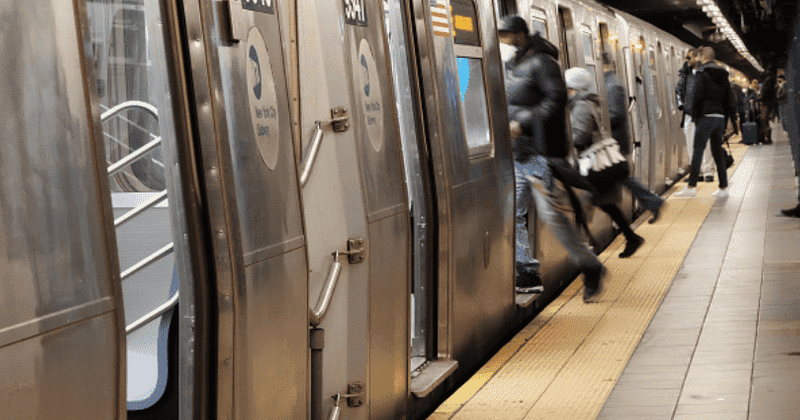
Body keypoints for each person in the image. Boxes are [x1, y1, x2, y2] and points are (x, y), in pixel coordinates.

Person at [499, 15, 606, 302]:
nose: (503, 40)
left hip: (540, 153)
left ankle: (590, 265)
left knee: (551, 216)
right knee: (513, 211)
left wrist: (523, 122)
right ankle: (527, 270)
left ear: (520, 35)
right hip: (518, 153)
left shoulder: (543, 62)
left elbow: (557, 100)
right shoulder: (512, 63)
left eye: (506, 35)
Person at [566, 67, 645, 258]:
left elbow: (580, 137)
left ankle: (585, 253)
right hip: (597, 162)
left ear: (573, 87)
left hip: (590, 163)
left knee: (584, 203)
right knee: (604, 203)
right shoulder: (589, 101)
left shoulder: (582, 105)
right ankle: (630, 237)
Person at [603, 53, 665, 223]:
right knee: (621, 180)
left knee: (616, 182)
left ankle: (650, 206)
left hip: (615, 143)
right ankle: (652, 204)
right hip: (615, 142)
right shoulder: (611, 82)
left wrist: (598, 118)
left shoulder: (612, 85)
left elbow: (616, 114)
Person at [674, 46, 738, 198]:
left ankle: (691, 187)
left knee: (697, 151)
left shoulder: (702, 74)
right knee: (716, 153)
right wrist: (732, 123)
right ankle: (723, 188)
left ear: (703, 57)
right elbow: (729, 100)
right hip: (719, 118)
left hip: (706, 116)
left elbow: (698, 96)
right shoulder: (723, 75)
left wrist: (695, 116)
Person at [676, 49, 716, 183]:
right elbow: (679, 90)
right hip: (688, 115)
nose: (688, 60)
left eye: (691, 57)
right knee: (691, 145)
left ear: (699, 57)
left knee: (705, 144)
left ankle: (708, 172)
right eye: (687, 57)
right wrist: (682, 105)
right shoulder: (685, 74)